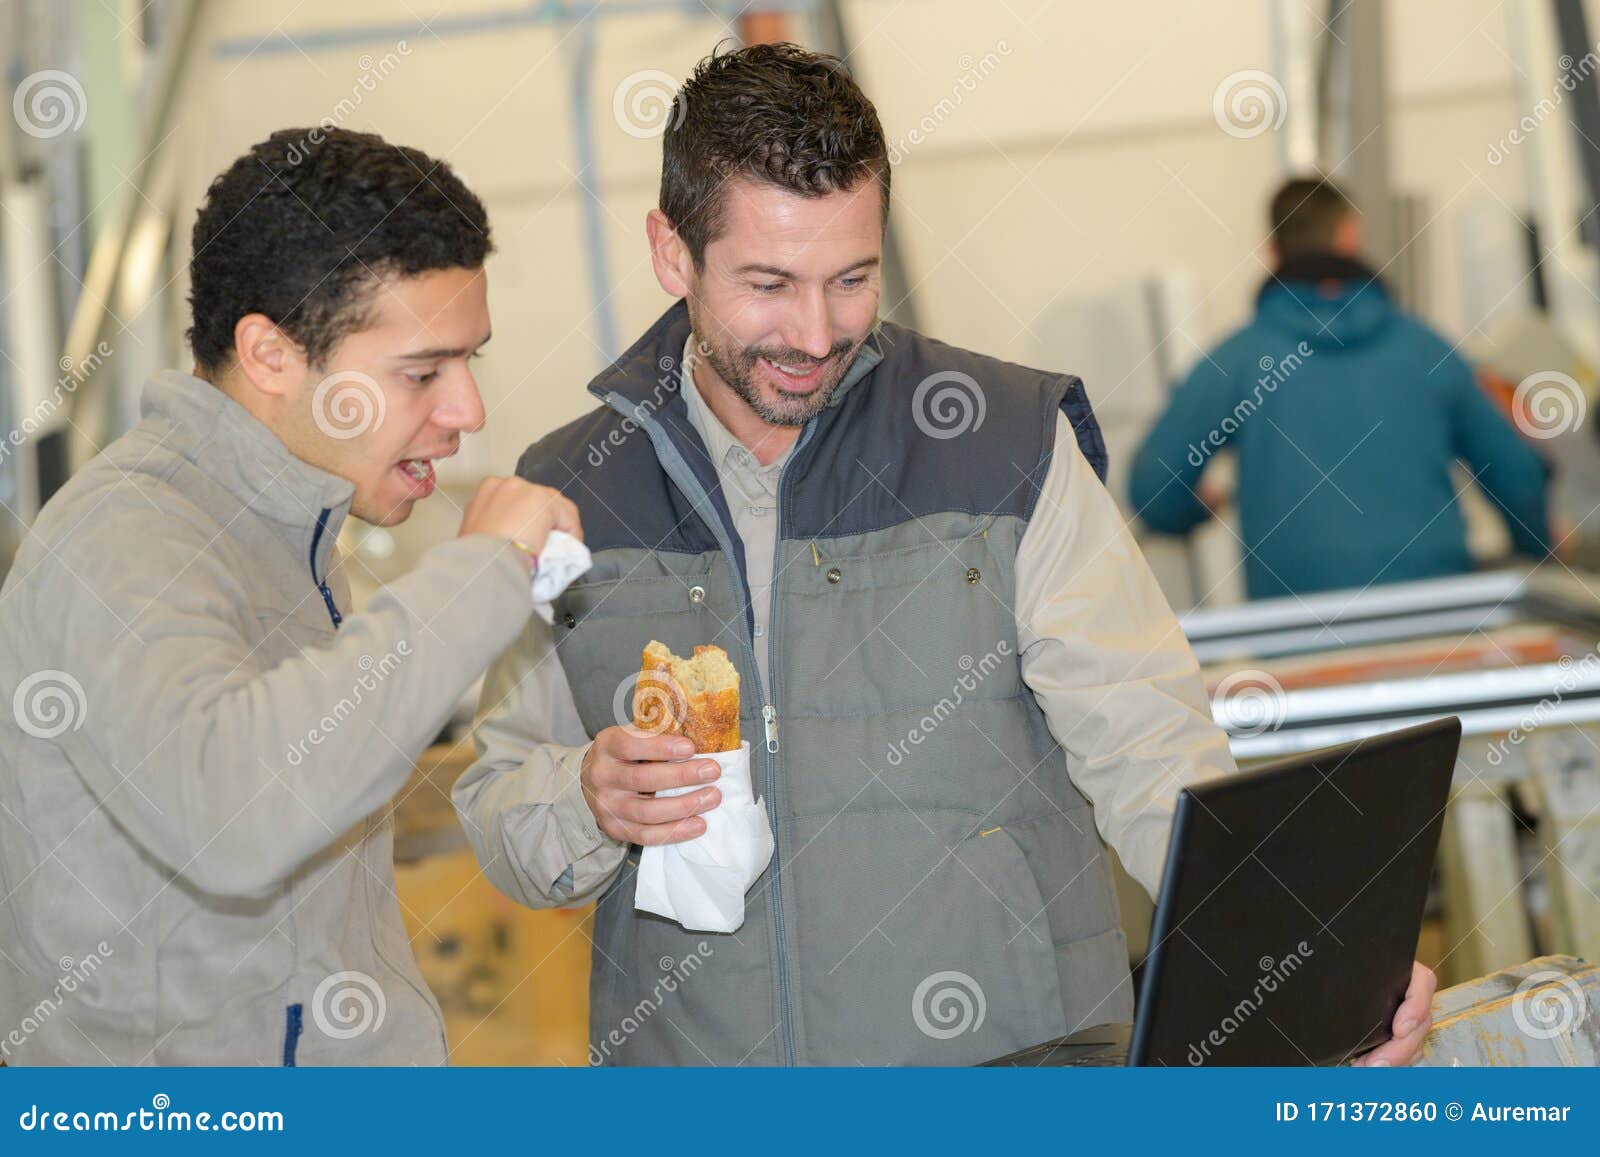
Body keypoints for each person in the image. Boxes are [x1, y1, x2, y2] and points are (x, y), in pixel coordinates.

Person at [454, 46, 1436, 1066]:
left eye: (851, 278)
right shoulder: (570, 491)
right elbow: (497, 796)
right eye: (766, 283)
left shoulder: (1003, 443)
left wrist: (1308, 959)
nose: (815, 331)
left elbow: (1148, 745)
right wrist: (581, 799)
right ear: (672, 252)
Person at [0, 128, 579, 1065]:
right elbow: (232, 814)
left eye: (469, 361)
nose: (466, 410)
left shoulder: (291, 538)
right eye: (422, 372)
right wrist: (479, 576)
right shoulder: (122, 539)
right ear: (270, 355)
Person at [1129, 176, 1551, 599]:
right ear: (1351, 235)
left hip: (1299, 637)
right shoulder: (1426, 350)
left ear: (1270, 249)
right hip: (1436, 626)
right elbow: (1517, 475)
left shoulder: (1238, 360)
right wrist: (1542, 549)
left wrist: (1198, 508)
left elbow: (1153, 490)